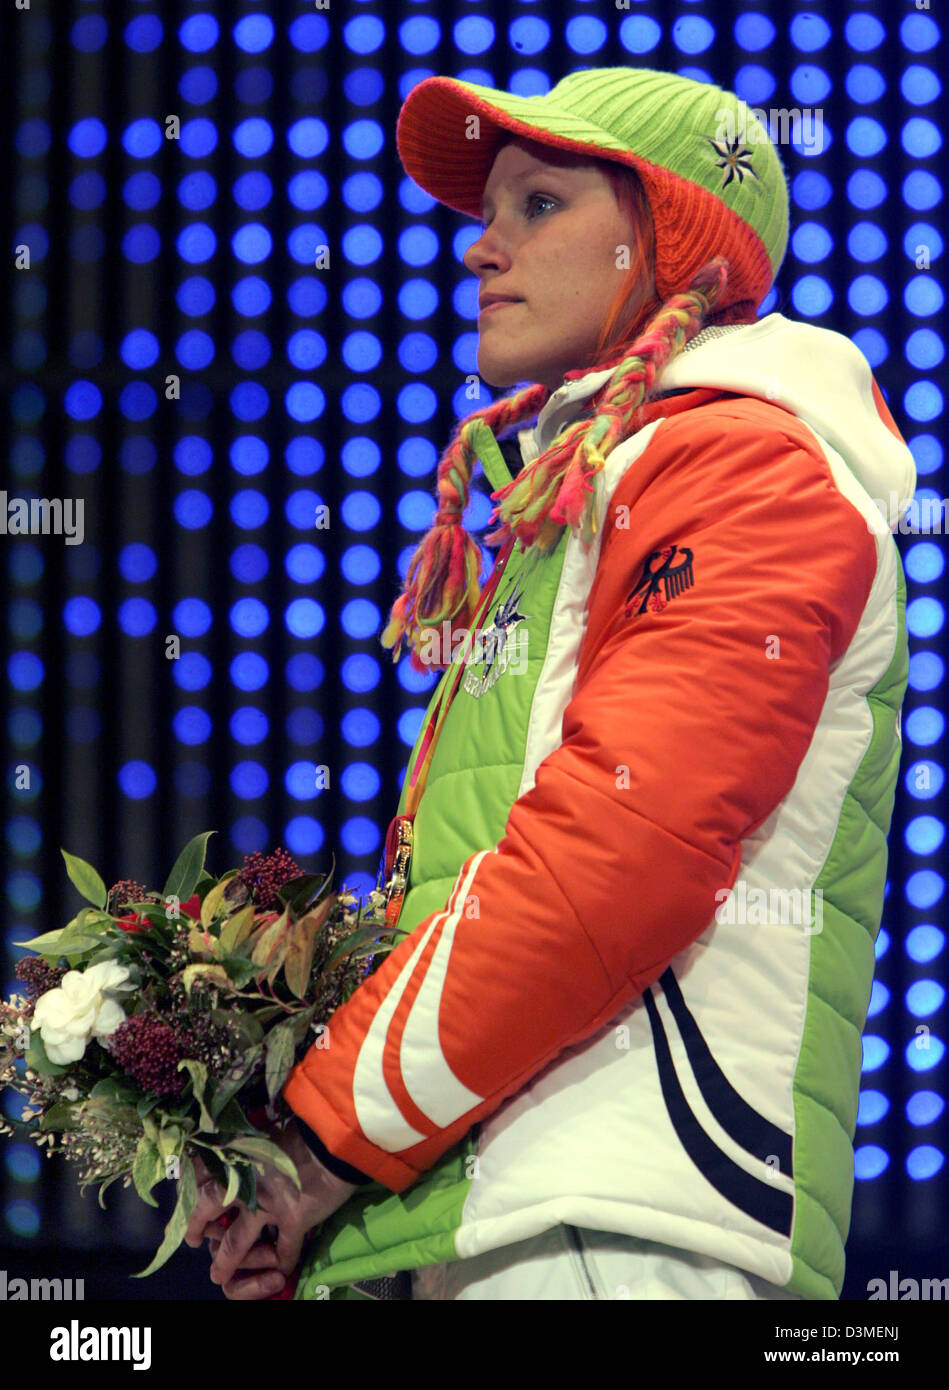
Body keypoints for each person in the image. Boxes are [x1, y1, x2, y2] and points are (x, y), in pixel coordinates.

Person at [185, 65, 915, 1301]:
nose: (480, 249)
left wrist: (315, 1141)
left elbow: (612, 858)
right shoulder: (598, 482)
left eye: (537, 205)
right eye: (489, 212)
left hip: (622, 1220)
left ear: (664, 238)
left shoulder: (744, 472)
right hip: (536, 1200)